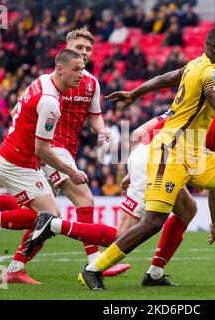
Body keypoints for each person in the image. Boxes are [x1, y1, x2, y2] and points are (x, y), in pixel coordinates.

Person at [66, 26, 215, 290]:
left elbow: (166, 77)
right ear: (213, 47)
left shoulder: (196, 65)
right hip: (170, 153)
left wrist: (135, 93)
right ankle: (93, 269)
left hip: (194, 151)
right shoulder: (210, 72)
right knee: (152, 222)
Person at [0, 50, 118, 284]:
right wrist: (73, 172)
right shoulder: (51, 103)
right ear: (60, 68)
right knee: (49, 217)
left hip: (16, 158)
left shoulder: (42, 80)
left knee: (40, 215)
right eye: (76, 69)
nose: (81, 75)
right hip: (16, 163)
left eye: (83, 68)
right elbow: (42, 150)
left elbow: (17, 112)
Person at [112, 109, 215, 286]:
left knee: (187, 209)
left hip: (153, 157)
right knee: (128, 227)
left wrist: (133, 166)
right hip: (156, 160)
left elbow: (140, 132)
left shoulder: (186, 104)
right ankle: (89, 260)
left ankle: (155, 273)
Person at [39, 28, 130, 277]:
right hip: (48, 148)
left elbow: (95, 117)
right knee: (85, 200)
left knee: (41, 213)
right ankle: (95, 264)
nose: (85, 52)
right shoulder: (49, 82)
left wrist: (102, 132)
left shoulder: (92, 83)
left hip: (67, 149)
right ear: (67, 47)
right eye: (79, 47)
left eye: (88, 49)